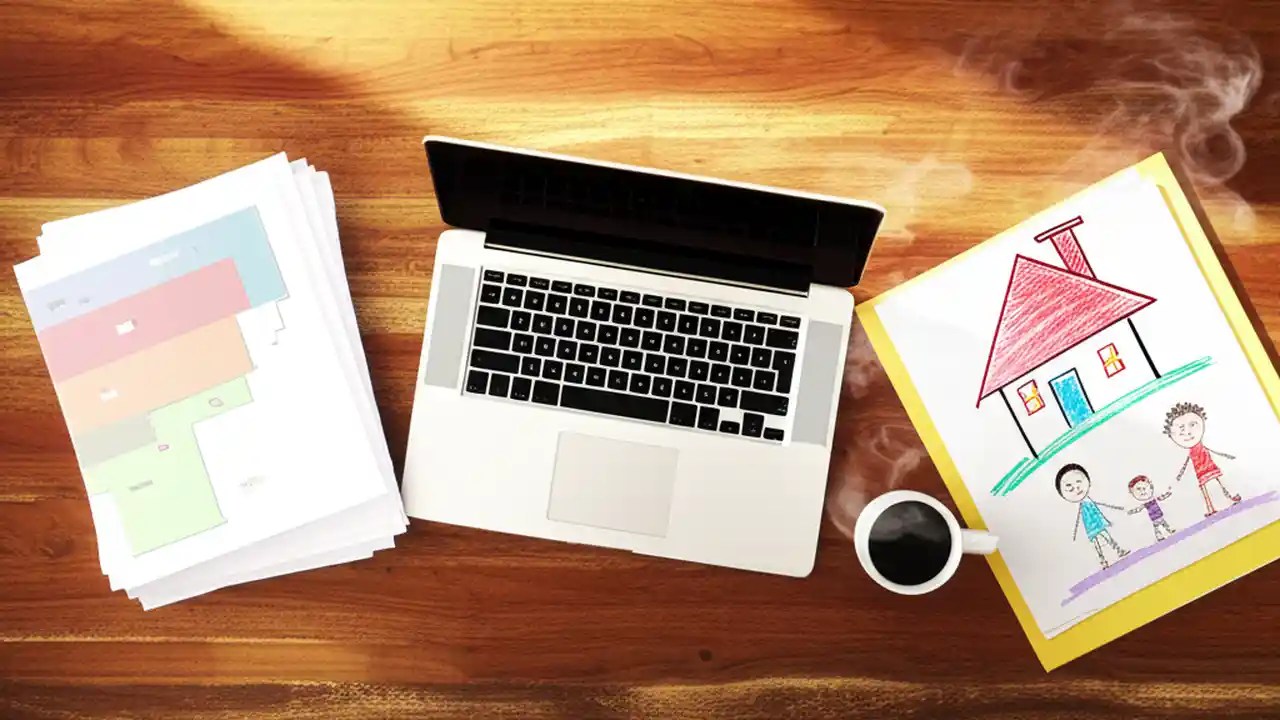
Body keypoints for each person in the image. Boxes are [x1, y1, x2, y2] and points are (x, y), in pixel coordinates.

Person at [1163, 402, 1240, 516]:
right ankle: (1210, 508)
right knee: (1206, 489)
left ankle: (1230, 497)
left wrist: (1225, 455)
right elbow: (1186, 463)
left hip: (1210, 466)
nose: (1187, 432)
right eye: (1181, 429)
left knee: (1220, 481)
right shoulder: (1191, 452)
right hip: (1200, 471)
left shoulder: (1201, 447)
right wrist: (1179, 475)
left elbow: (1212, 451)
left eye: (1192, 425)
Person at [1057, 463, 1129, 569]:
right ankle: (1103, 561)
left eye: (1079, 483)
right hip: (1091, 529)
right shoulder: (1082, 506)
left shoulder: (1089, 501)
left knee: (1108, 538)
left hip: (1098, 524)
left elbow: (1099, 510)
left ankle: (1118, 550)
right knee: (1097, 545)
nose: (1077, 489)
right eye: (1071, 489)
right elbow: (1079, 519)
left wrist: (1106, 520)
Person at [1125, 475, 1176, 542]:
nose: (1142, 492)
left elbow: (1161, 498)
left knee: (1163, 522)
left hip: (1158, 513)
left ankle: (1168, 530)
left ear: (1151, 487)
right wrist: (1131, 511)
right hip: (1153, 516)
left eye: (1144, 488)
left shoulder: (1153, 499)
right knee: (1157, 526)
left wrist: (1168, 494)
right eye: (1138, 489)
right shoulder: (1146, 503)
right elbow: (1139, 509)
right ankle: (1159, 535)